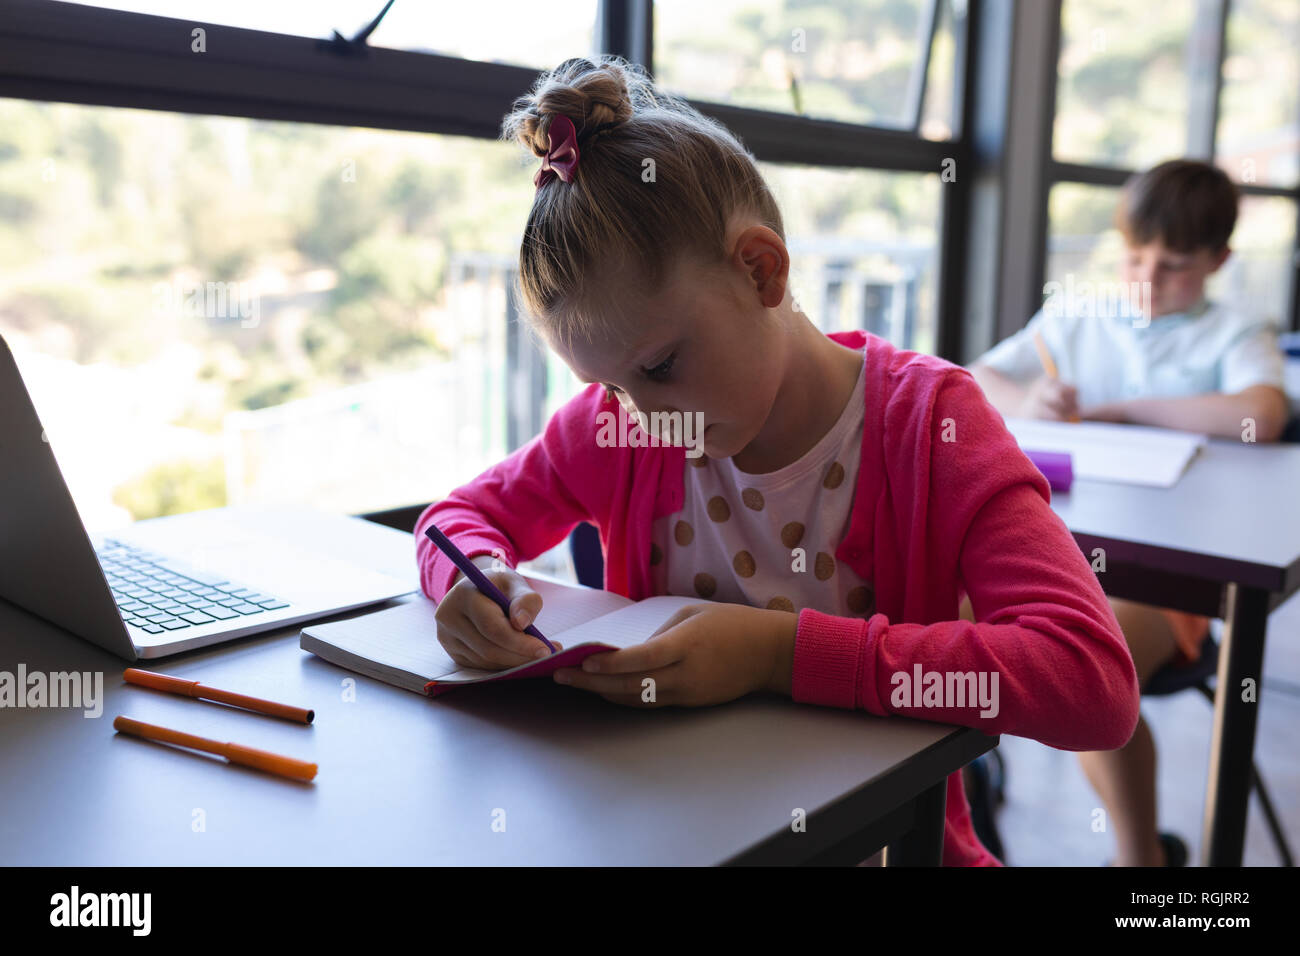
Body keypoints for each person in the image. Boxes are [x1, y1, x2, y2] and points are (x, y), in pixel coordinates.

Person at [418, 56, 1139, 866]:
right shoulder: (618, 423)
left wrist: (776, 655)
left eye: (658, 368)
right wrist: (471, 582)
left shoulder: (930, 425)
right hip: (668, 834)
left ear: (761, 270)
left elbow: (1090, 685)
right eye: (608, 387)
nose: (645, 418)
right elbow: (456, 521)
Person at [969, 159, 1289, 866]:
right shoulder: (1082, 316)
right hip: (1052, 552)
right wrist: (1031, 403)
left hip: (1164, 584)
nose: (1146, 279)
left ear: (1218, 260)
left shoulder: (1234, 333)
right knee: (939, 626)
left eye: (1172, 266)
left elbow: (1261, 415)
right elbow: (980, 378)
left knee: (1075, 669)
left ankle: (1140, 862)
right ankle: (962, 829)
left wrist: (1124, 411)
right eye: (1135, 258)